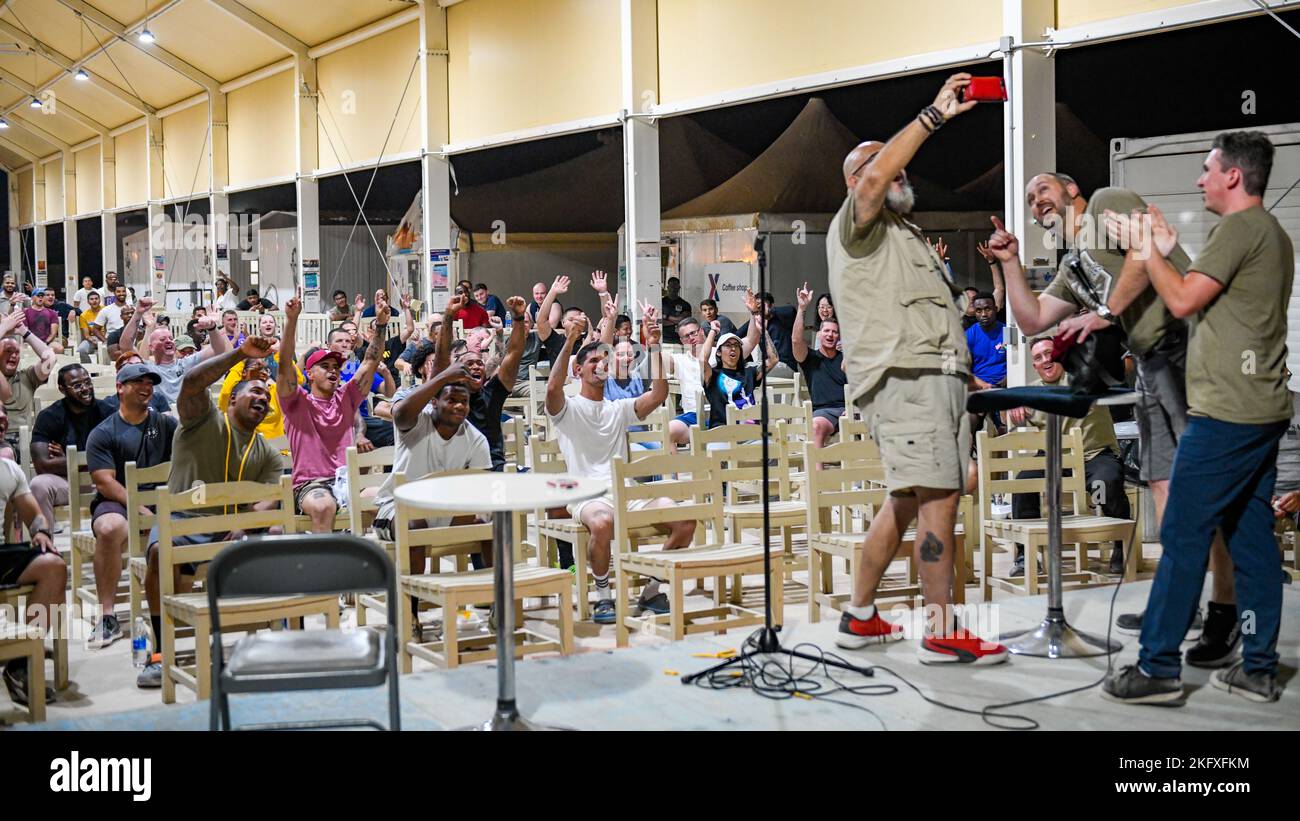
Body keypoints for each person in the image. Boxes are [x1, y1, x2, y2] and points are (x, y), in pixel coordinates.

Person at [1103, 131, 1292, 705]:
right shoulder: (1273, 235)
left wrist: (1150, 249)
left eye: (1208, 169)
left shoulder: (1239, 229)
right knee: (1252, 539)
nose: (1199, 179)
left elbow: (1182, 300)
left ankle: (1158, 667)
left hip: (1227, 414)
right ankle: (1258, 666)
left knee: (1184, 534)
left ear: (1233, 175)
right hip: (1262, 408)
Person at [828, 73, 1005, 664]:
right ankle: (940, 628)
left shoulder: (901, 233)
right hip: (908, 380)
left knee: (906, 500)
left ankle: (858, 615)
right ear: (859, 183)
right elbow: (877, 173)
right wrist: (933, 116)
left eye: (899, 164)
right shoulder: (858, 223)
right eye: (883, 167)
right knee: (940, 500)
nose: (897, 171)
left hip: (935, 378)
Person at [991, 169, 1202, 636]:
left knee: (1199, 476)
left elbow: (1142, 255)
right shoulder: (1072, 267)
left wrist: (1104, 314)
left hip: (1188, 344)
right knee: (1163, 481)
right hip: (1149, 360)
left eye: (1043, 188)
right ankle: (1176, 601)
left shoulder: (1109, 202)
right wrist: (1010, 262)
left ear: (1071, 190)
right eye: (1029, 198)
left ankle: (1223, 602)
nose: (1035, 200)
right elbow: (1033, 320)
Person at [133, 334, 282, 689]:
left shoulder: (268, 451)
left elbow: (269, 499)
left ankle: (277, 636)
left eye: (266, 396)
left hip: (231, 529)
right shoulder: (203, 419)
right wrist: (238, 355)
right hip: (183, 522)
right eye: (254, 393)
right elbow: (192, 381)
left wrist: (245, 525)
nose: (262, 398)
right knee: (158, 551)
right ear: (233, 398)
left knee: (280, 537)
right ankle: (157, 650)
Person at [545, 306, 695, 624]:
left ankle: (653, 590)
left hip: (624, 491)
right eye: (594, 361)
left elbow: (658, 394)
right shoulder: (567, 409)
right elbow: (552, 389)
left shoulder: (618, 408)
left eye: (605, 360)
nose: (601, 365)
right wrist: (571, 340)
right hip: (586, 494)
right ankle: (603, 596)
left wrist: (653, 345)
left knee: (685, 520)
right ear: (579, 370)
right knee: (601, 523)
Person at [1005, 337, 1129, 576]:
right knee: (1022, 484)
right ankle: (1025, 556)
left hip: (1094, 456)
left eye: (1050, 353)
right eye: (1039, 358)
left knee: (1105, 485)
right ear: (1035, 366)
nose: (1046, 360)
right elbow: (1006, 416)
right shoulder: (1031, 393)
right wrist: (1011, 406)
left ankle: (1119, 545)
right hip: (1053, 458)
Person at [84, 364, 178, 649]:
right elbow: (104, 482)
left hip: (161, 499)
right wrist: (138, 506)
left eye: (149, 382)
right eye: (137, 381)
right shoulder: (103, 433)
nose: (145, 386)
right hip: (118, 502)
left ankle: (182, 608)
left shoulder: (165, 425)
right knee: (110, 528)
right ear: (119, 388)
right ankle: (108, 615)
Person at [279, 289, 386, 532]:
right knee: (323, 506)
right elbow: (285, 364)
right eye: (324, 366)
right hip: (311, 486)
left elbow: (370, 362)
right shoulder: (297, 403)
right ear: (310, 374)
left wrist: (380, 324)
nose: (333, 370)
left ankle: (369, 561)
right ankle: (326, 566)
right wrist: (292, 319)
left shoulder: (346, 397)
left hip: (346, 483)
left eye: (336, 366)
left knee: (387, 497)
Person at [371, 360, 490, 567]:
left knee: (490, 526)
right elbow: (399, 415)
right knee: (415, 527)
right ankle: (413, 598)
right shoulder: (416, 423)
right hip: (397, 507)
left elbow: (481, 491)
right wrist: (443, 377)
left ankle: (489, 596)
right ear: (434, 402)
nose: (460, 406)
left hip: (446, 508)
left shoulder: (476, 439)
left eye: (464, 401)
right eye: (452, 400)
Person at [0, 431, 64, 708]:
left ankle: (20, 665)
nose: (2, 417)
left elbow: (34, 516)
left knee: (53, 565)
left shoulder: (9, 469)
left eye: (3, 412)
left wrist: (42, 533)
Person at [434, 291, 528, 471]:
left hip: (495, 471)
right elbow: (441, 357)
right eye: (469, 363)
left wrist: (518, 318)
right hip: (459, 473)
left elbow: (514, 354)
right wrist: (448, 316)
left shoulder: (492, 393)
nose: (476, 366)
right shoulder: (448, 394)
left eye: (479, 363)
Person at [29, 364, 117, 533]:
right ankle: (46, 548)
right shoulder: (49, 416)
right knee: (38, 485)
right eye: (77, 385)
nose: (85, 389)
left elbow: (119, 456)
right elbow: (42, 465)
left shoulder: (108, 412)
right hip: (67, 482)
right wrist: (94, 458)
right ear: (62, 389)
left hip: (102, 480)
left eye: (87, 382)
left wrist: (69, 458)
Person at [119, 299, 228, 406]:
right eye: (162, 339)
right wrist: (138, 314)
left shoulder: (187, 363)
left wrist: (213, 328)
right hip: (161, 417)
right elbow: (125, 345)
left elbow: (218, 350)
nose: (168, 341)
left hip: (186, 417)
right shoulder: (148, 369)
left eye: (171, 338)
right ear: (151, 347)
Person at [793, 284, 846, 447]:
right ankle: (818, 472)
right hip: (824, 412)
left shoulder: (846, 357)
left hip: (849, 408)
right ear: (819, 334)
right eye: (826, 331)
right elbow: (796, 340)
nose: (830, 335)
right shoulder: (810, 358)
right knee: (815, 427)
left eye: (834, 332)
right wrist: (802, 309)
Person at [698, 322, 777, 430]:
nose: (733, 348)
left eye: (736, 345)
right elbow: (702, 359)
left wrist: (764, 331)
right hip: (721, 432)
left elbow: (774, 359)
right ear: (719, 353)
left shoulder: (749, 372)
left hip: (751, 432)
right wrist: (713, 331)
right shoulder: (713, 375)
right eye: (728, 345)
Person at [2, 311, 58, 438]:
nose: (14, 355)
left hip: (20, 441)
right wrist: (3, 328)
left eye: (17, 352)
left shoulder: (26, 377)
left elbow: (50, 358)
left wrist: (24, 332)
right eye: (8, 351)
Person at [737, 291, 799, 375]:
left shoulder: (781, 318)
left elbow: (792, 310)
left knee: (752, 373)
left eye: (761, 305)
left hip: (785, 364)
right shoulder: (757, 321)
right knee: (744, 369)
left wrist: (769, 311)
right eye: (757, 306)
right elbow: (736, 336)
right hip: (768, 364)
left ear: (772, 305)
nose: (759, 308)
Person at [661, 277, 692, 344]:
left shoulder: (685, 304)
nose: (673, 289)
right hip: (663, 340)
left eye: (675, 286)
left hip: (680, 341)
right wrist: (677, 321)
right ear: (667, 287)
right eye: (671, 286)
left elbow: (684, 321)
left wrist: (666, 317)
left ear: (679, 287)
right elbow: (659, 321)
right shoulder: (660, 303)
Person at [76, 291, 106, 357]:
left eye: (96, 298)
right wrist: (94, 341)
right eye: (91, 299)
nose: (94, 301)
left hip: (107, 337)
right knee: (81, 350)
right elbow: (86, 335)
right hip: (93, 338)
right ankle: (88, 366)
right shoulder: (84, 315)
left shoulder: (106, 310)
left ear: (100, 300)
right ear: (88, 301)